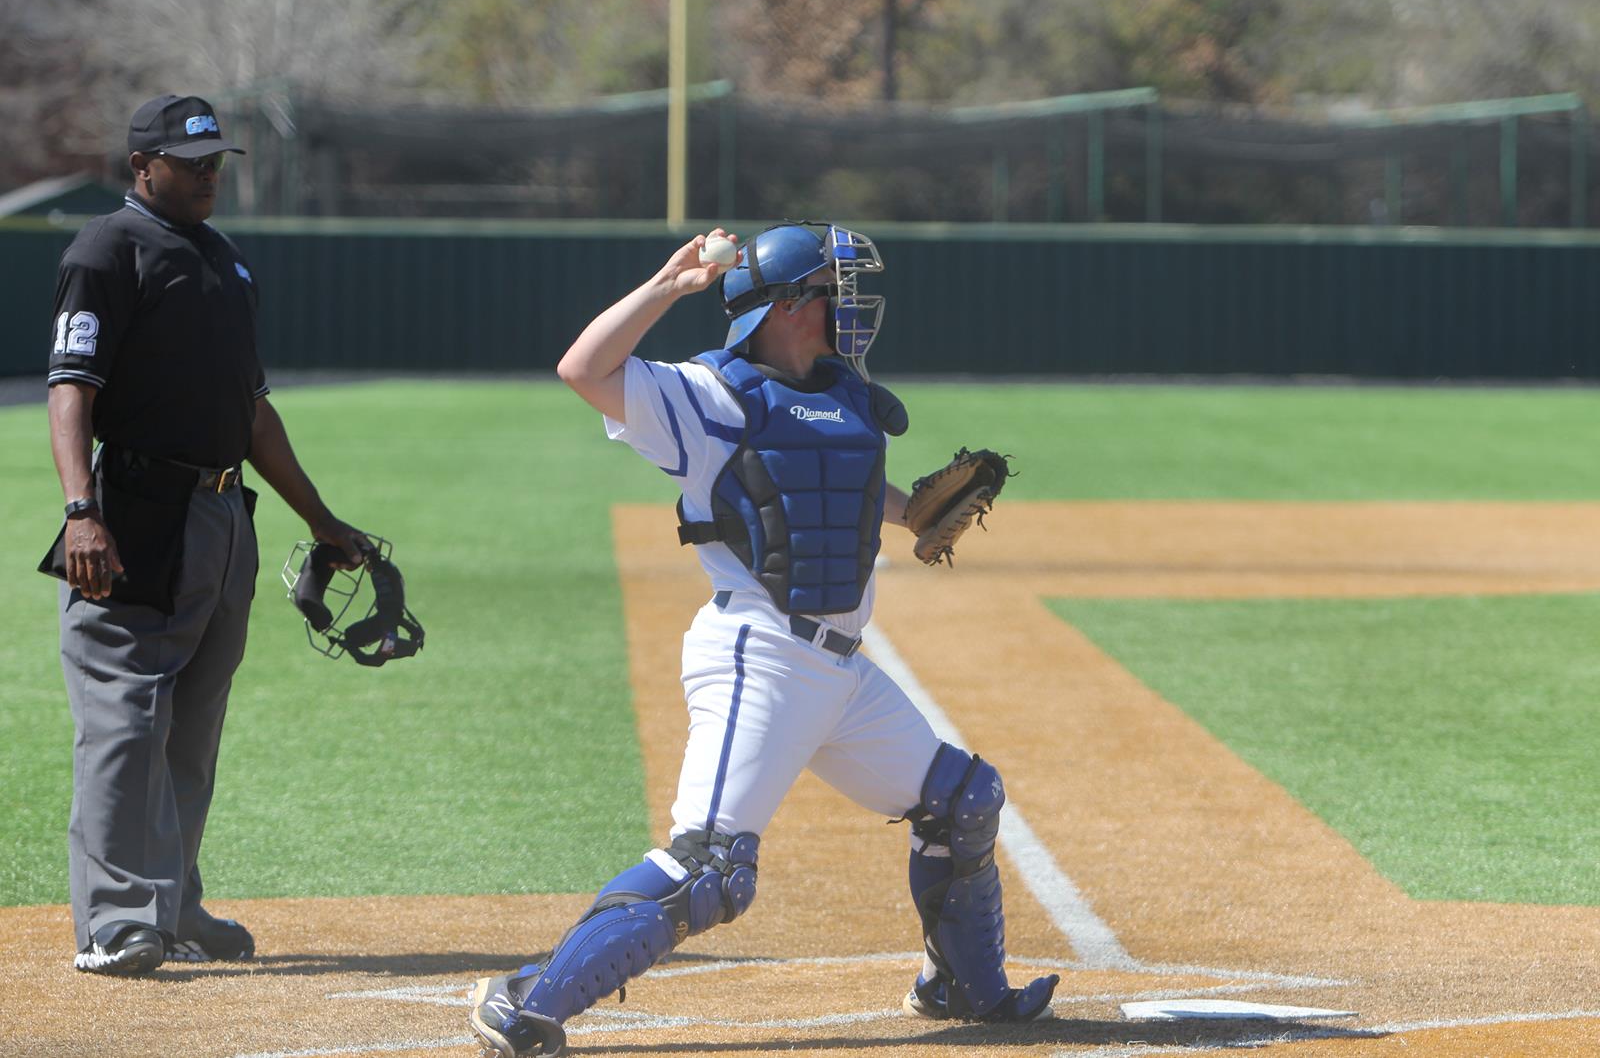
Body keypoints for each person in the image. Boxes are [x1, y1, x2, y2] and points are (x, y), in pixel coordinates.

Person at [468, 222, 1058, 1057]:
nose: (846, 310)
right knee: (711, 867)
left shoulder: (846, 392)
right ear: (787, 305)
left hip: (843, 674)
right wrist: (669, 287)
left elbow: (834, 481)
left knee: (963, 799)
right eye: (829, 292)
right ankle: (528, 1000)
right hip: (763, 655)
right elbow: (583, 369)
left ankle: (964, 984)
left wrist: (913, 514)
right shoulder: (708, 397)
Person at [41, 94, 365, 976]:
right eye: (190, 161)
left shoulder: (222, 258)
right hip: (137, 510)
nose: (209, 173)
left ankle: (172, 904)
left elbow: (252, 411)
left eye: (216, 159)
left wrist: (319, 518)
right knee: (122, 718)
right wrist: (81, 511)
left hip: (222, 519)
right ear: (141, 167)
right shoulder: (106, 249)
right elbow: (71, 386)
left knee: (192, 722)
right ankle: (114, 918)